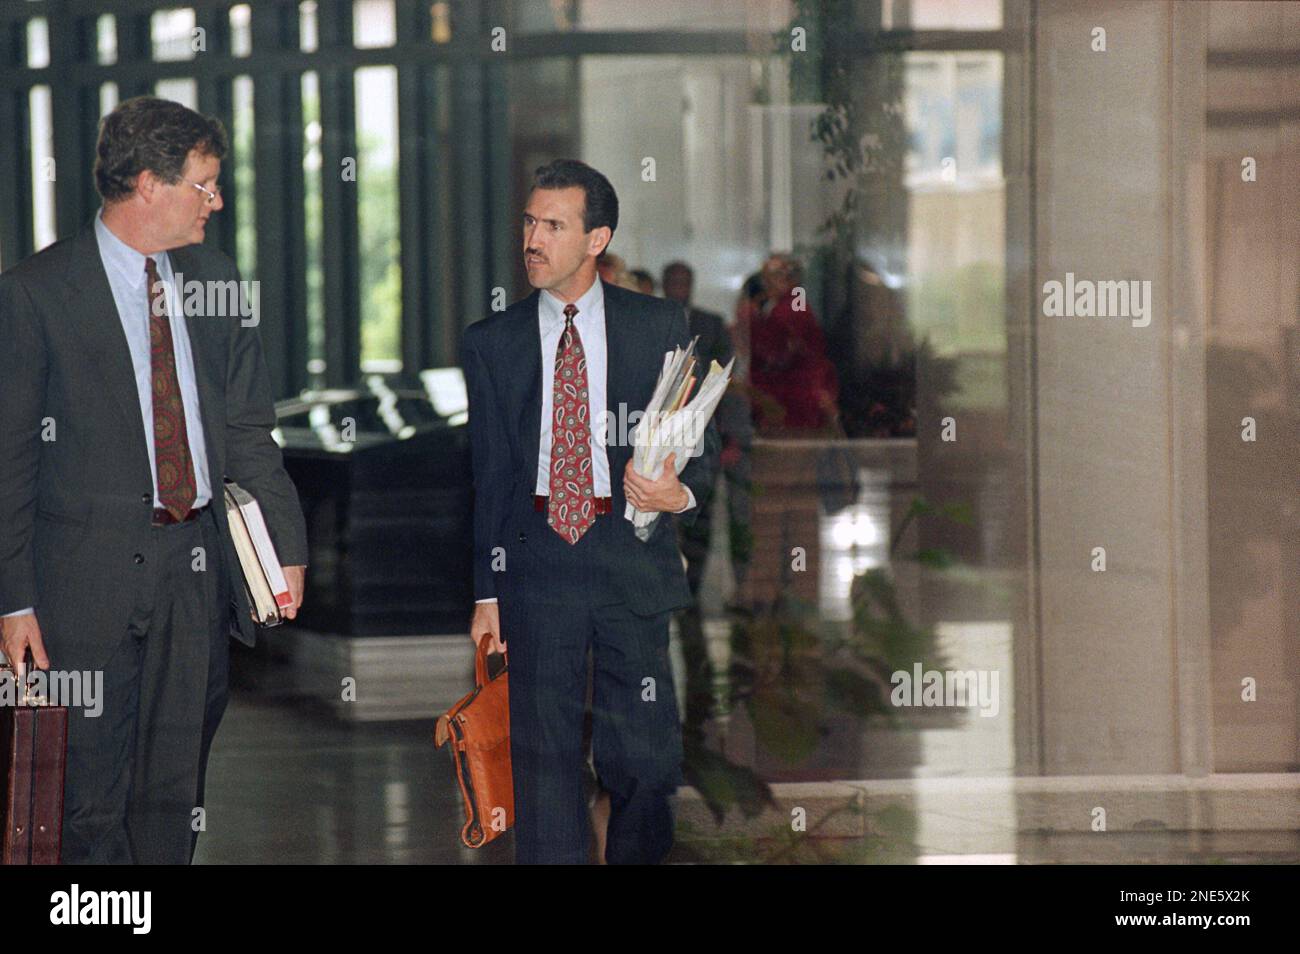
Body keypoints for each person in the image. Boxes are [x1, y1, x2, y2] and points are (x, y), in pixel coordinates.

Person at [0, 96, 308, 864]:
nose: (218, 201)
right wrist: (13, 600)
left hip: (192, 575)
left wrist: (284, 545)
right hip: (78, 587)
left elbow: (247, 432)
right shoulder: (35, 293)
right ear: (147, 183)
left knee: (175, 796)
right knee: (85, 799)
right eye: (204, 184)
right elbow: (10, 459)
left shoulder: (214, 279)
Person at [461, 159, 720, 864]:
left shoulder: (658, 325)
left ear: (596, 238)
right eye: (529, 222)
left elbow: (703, 443)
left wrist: (679, 493)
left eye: (554, 225)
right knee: (543, 763)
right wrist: (487, 591)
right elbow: (488, 477)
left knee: (644, 761)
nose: (533, 239)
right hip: (536, 560)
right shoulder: (493, 343)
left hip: (628, 556)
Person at [661, 261, 754, 741]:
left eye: (683, 282)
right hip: (668, 439)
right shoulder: (657, 320)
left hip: (701, 437)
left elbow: (724, 380)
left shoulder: (709, 326)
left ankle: (693, 585)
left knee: (700, 511)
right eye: (672, 282)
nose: (679, 288)